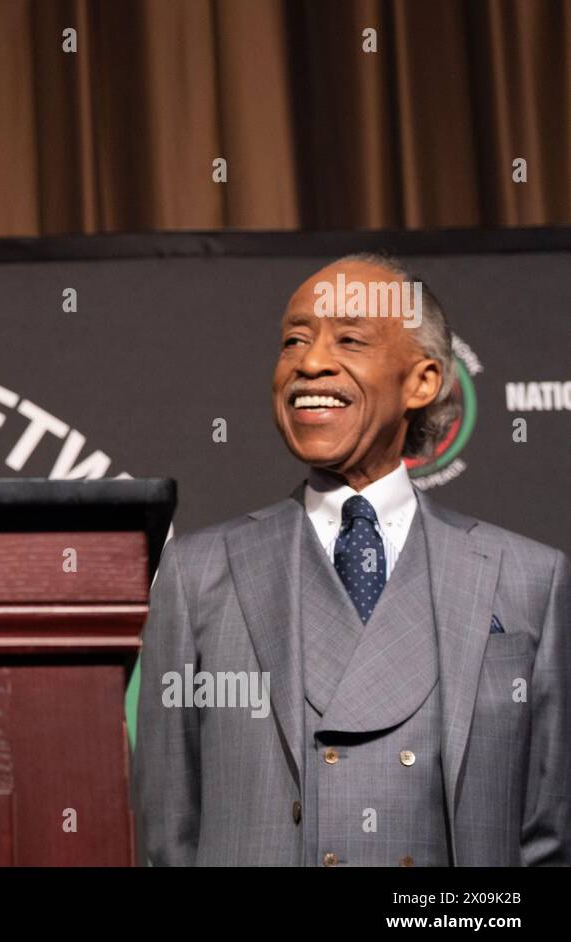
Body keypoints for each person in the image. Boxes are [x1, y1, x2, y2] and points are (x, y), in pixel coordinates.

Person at [134, 253, 569, 866]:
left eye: (349, 338)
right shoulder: (196, 575)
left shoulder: (529, 579)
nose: (309, 362)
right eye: (294, 340)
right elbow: (165, 838)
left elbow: (546, 840)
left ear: (422, 381)